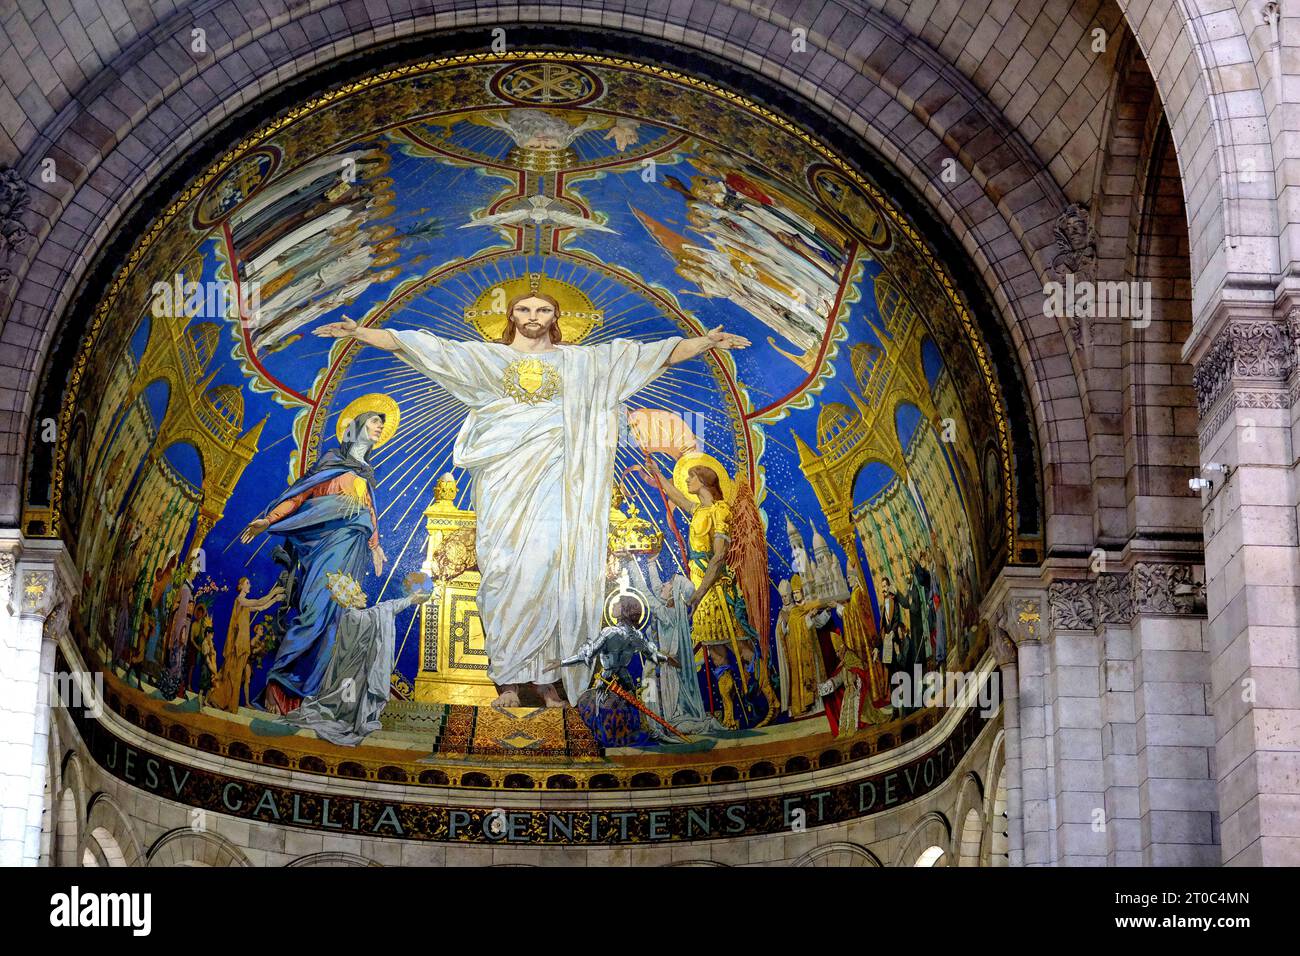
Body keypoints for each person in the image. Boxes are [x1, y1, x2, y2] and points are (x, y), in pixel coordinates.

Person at [314, 292, 749, 708]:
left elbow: (651, 355)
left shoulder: (581, 363)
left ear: (556, 318)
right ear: (512, 316)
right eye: (524, 308)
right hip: (504, 484)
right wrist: (361, 333)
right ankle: (508, 678)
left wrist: (706, 342)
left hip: (557, 485)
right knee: (503, 572)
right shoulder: (489, 359)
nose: (533, 315)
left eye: (543, 309)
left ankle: (547, 680)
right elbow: (429, 350)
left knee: (550, 570)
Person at [241, 410, 389, 714]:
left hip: (351, 552)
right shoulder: (332, 463)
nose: (379, 428)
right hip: (324, 549)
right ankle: (278, 688)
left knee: (337, 623)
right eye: (374, 421)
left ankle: (309, 698)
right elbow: (299, 497)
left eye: (382, 425)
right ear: (356, 427)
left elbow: (369, 512)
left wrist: (375, 546)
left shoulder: (366, 473)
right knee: (313, 615)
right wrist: (269, 519)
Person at [636, 459, 777, 728]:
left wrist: (700, 592)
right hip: (701, 593)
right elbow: (675, 494)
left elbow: (720, 557)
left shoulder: (720, 511)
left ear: (702, 480)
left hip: (716, 591)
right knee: (717, 656)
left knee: (744, 650)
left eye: (691, 478)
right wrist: (658, 474)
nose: (686, 482)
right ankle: (729, 714)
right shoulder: (699, 510)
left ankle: (769, 702)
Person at [281, 572, 430, 746]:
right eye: (359, 594)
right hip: (353, 675)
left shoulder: (354, 616)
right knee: (347, 705)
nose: (365, 595)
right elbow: (381, 612)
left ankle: (351, 719)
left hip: (355, 673)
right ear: (350, 599)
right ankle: (348, 720)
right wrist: (409, 599)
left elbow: (378, 613)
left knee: (349, 703)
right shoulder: (352, 616)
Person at [208, 578, 285, 713]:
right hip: (237, 646)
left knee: (237, 676)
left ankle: (228, 704)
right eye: (247, 583)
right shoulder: (240, 600)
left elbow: (261, 607)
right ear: (241, 586)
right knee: (232, 675)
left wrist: (276, 599)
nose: (250, 585)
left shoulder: (245, 604)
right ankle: (222, 701)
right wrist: (274, 592)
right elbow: (258, 601)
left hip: (243, 645)